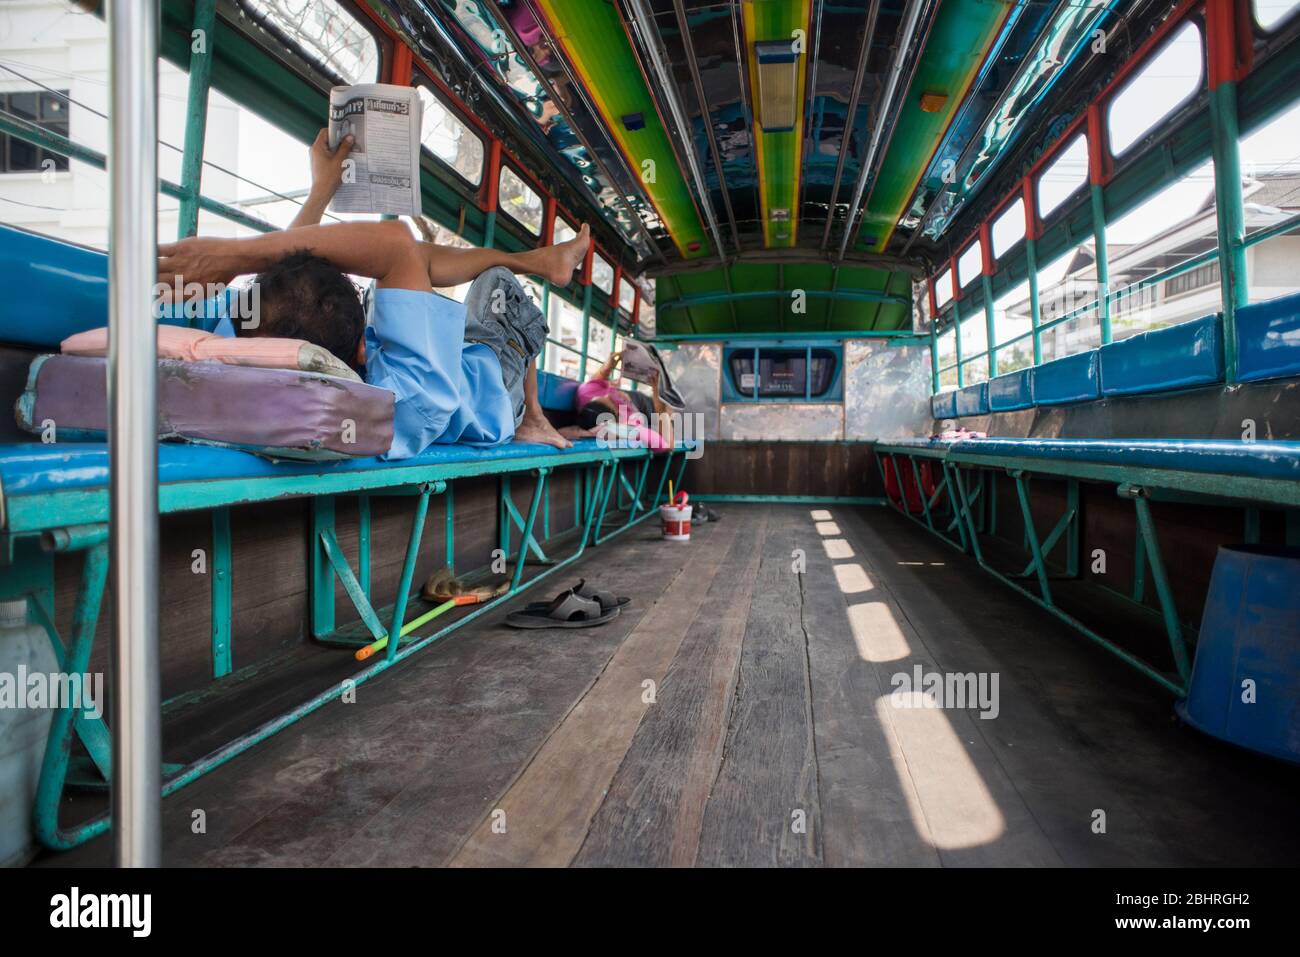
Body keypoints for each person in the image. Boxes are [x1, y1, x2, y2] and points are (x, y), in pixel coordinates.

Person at [156, 130, 591, 458]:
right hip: (496, 389)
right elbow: (395, 245)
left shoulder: (243, 352)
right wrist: (232, 257)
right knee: (497, 284)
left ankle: (540, 262)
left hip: (439, 358)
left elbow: (283, 289)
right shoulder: (406, 401)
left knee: (416, 260)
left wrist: (321, 189)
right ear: (364, 347)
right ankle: (534, 415)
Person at [575, 350, 674, 450]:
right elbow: (667, 445)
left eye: (605, 396)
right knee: (666, 411)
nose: (610, 394)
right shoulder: (630, 428)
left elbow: (596, 381)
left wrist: (607, 368)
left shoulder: (585, 394)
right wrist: (660, 404)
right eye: (614, 402)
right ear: (618, 418)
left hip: (635, 400)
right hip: (642, 410)